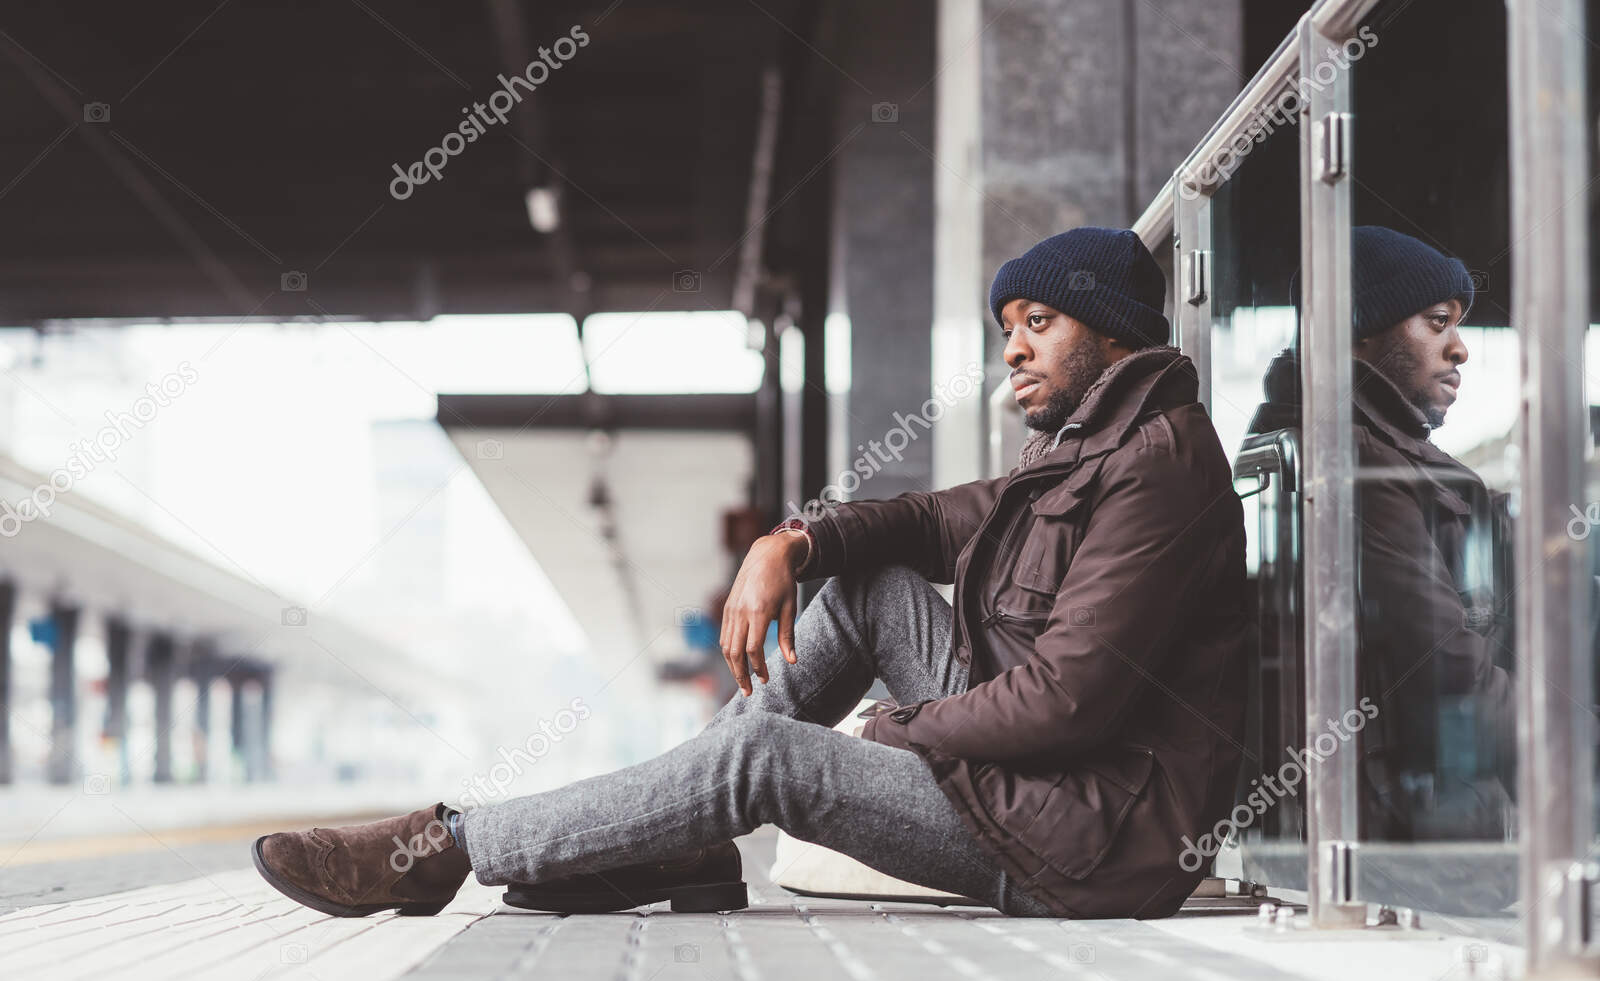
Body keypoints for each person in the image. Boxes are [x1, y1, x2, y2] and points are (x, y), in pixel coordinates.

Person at [252, 227, 1249, 921]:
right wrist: (788, 543)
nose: (1014, 351)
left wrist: (897, 728)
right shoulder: (1087, 448)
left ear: (1113, 330)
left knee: (761, 757)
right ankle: (675, 840)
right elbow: (926, 520)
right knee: (861, 588)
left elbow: (1070, 701)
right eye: (1006, 331)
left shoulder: (1158, 465)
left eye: (1039, 323)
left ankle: (445, 847)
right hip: (1040, 778)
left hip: (1081, 840)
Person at [1249, 226, 1513, 838]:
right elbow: (1449, 676)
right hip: (1400, 839)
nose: (1460, 349)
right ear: (1361, 330)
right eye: (1438, 321)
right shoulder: (1356, 462)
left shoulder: (1389, 456)